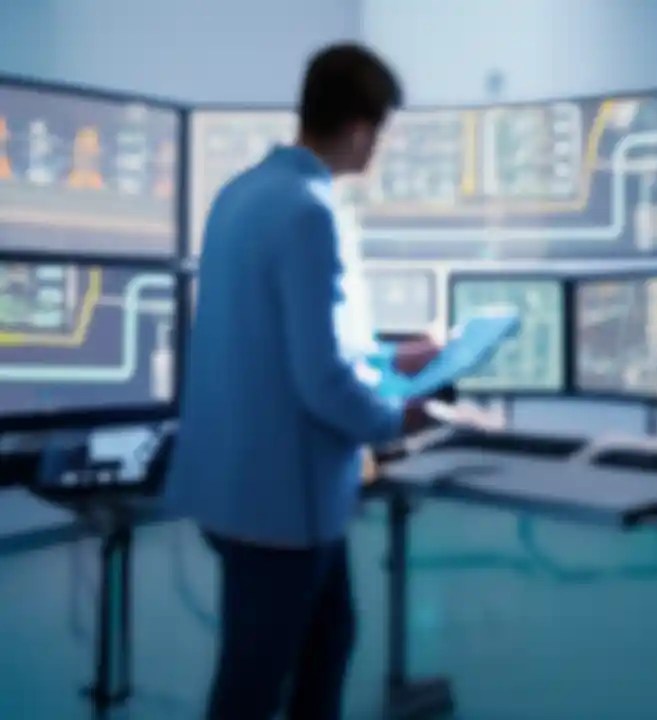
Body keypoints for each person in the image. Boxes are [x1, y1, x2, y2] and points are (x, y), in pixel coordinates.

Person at [164, 43, 436, 720]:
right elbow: (318, 381)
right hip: (284, 503)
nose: (378, 149)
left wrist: (385, 360)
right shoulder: (311, 212)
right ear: (359, 129)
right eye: (381, 133)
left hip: (235, 488)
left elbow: (277, 343)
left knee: (325, 641)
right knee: (258, 681)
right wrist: (397, 422)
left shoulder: (243, 194)